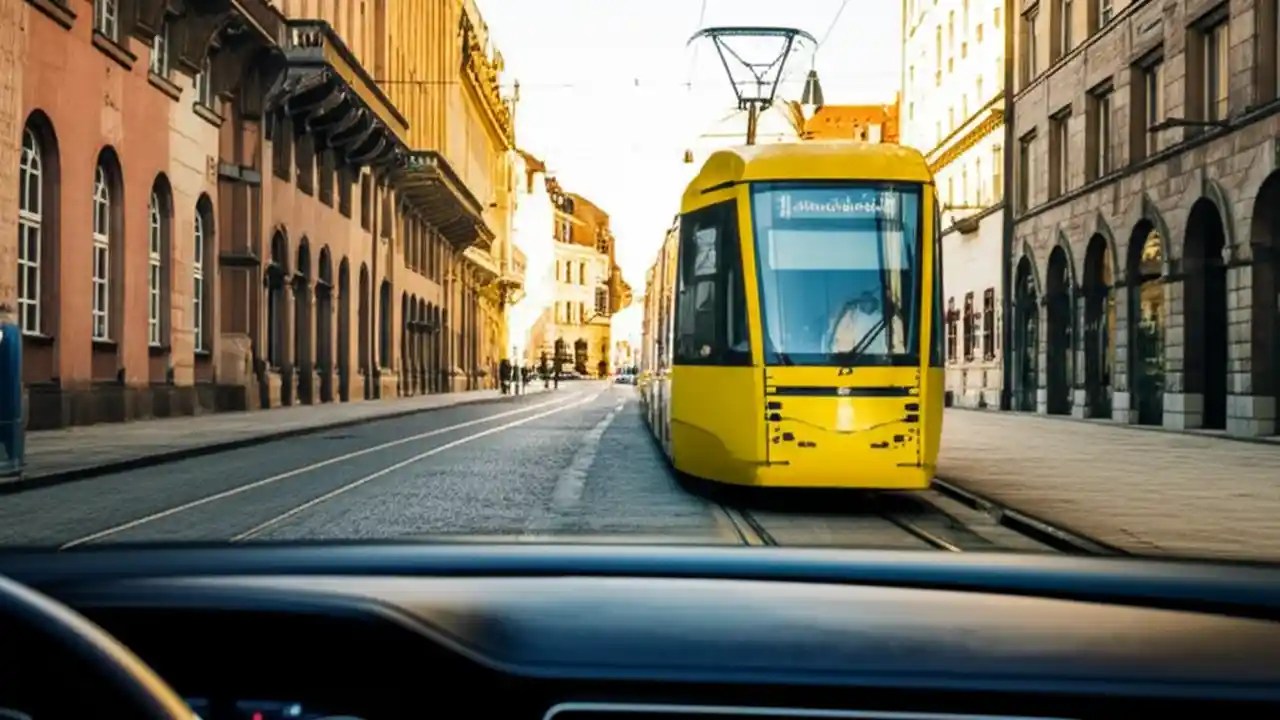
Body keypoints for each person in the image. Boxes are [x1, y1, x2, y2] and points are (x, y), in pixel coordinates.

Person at [824, 290, 904, 356]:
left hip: (881, 362)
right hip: (857, 362)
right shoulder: (850, 318)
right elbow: (834, 341)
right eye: (864, 300)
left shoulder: (886, 318)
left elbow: (899, 340)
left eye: (869, 300)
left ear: (875, 302)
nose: (867, 303)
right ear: (860, 302)